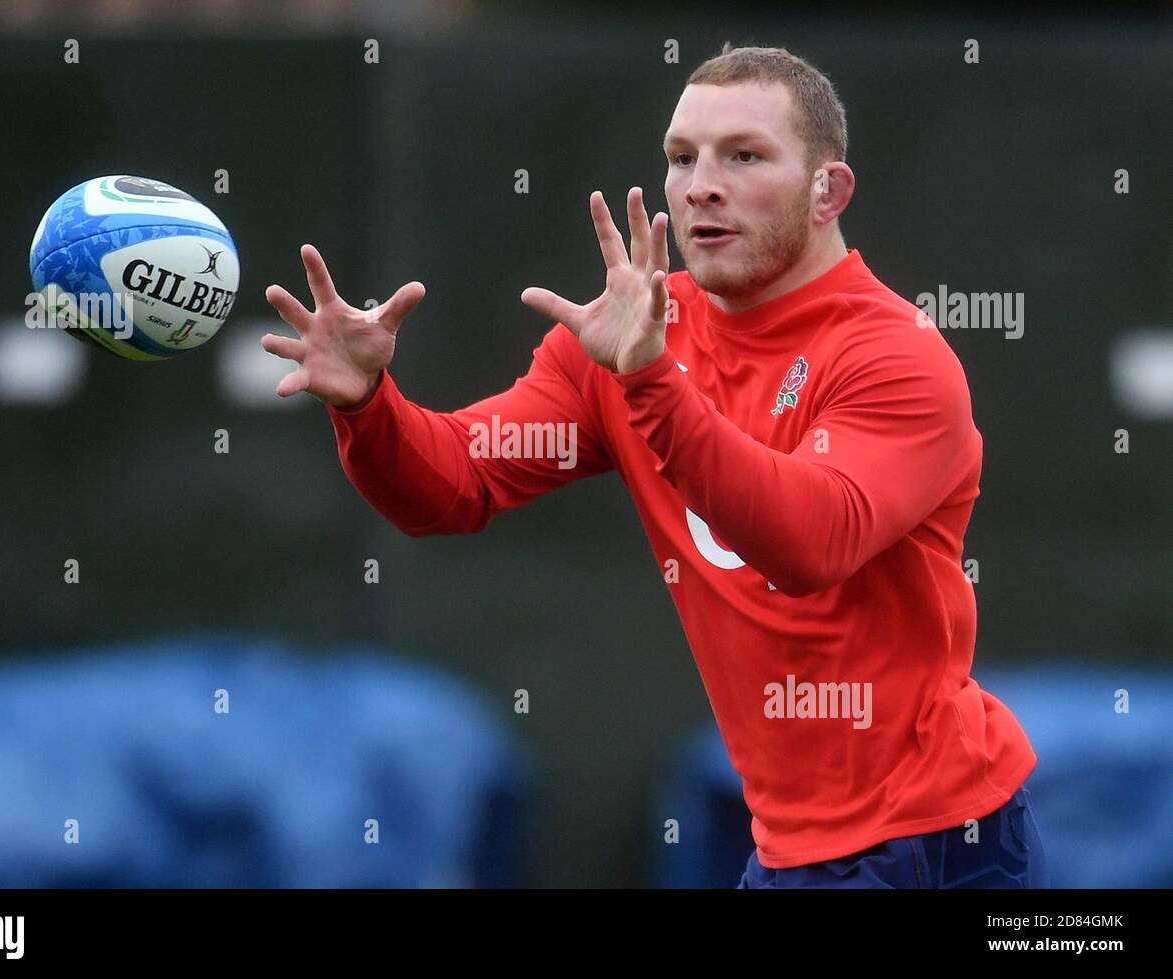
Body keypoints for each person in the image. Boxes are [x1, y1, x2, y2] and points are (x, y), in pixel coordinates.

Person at [261, 44, 1046, 889]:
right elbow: (451, 486)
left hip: (950, 838)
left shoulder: (893, 354)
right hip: (803, 850)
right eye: (682, 158)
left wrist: (650, 385)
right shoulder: (630, 341)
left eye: (744, 155)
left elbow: (811, 542)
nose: (701, 183)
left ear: (831, 191)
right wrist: (366, 404)